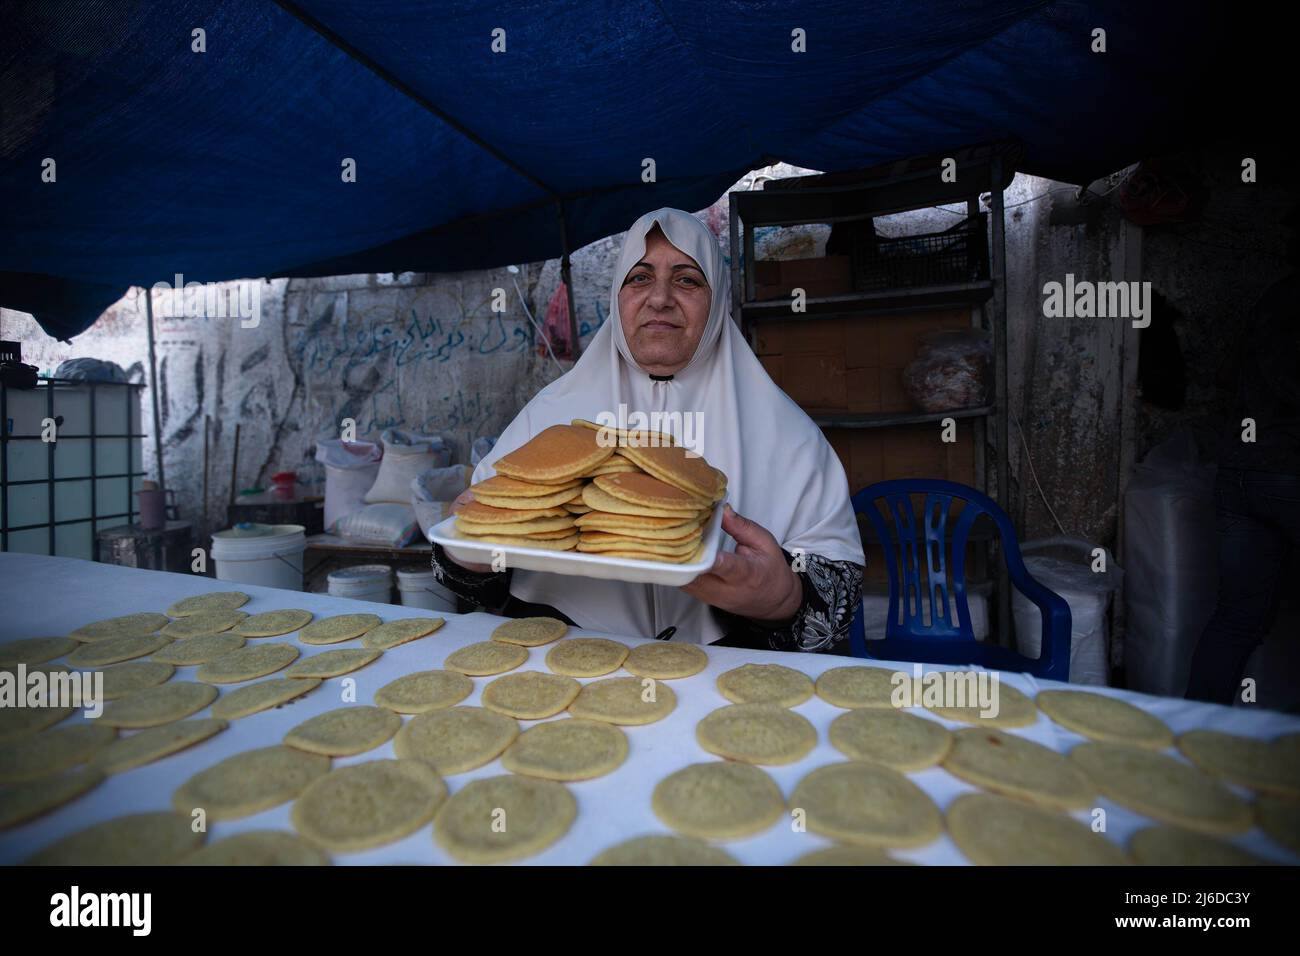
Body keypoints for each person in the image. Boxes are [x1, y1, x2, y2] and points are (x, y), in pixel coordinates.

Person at [431, 207, 864, 652]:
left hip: (722, 680)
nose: (660, 298)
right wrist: (469, 557)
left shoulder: (786, 433)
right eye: (639, 278)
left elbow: (840, 601)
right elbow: (463, 574)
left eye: (687, 279)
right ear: (617, 298)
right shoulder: (549, 420)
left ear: (717, 302)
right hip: (568, 664)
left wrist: (783, 598)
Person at [1185, 223, 1300, 704]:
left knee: (1235, 620)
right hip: (1289, 472)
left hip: (1240, 474)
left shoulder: (1274, 297)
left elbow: (1225, 375)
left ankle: (1191, 736)